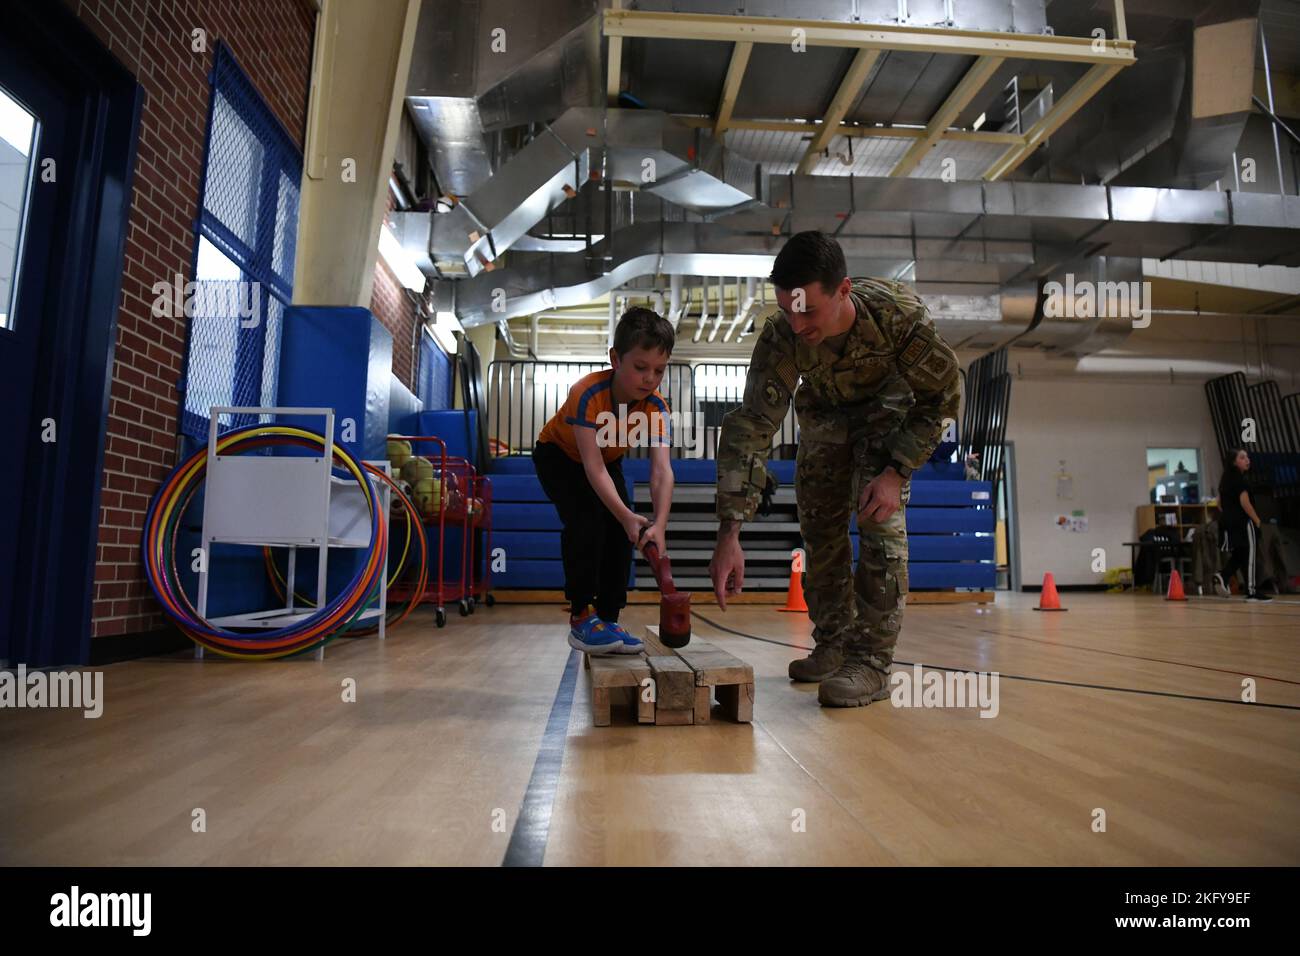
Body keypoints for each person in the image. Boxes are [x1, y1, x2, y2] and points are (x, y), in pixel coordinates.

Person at [708, 231, 961, 707]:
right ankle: (833, 642)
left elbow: (944, 398)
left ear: (843, 290)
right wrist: (729, 533)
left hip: (889, 421)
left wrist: (896, 473)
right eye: (787, 309)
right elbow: (753, 426)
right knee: (820, 530)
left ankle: (871, 663)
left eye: (808, 311)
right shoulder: (785, 335)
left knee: (880, 529)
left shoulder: (898, 319)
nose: (797, 322)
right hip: (824, 422)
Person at [534, 307, 678, 653]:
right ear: (615, 359)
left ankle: (608, 618)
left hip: (607, 459)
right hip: (559, 456)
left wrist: (659, 523)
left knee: (620, 533)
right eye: (640, 368)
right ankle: (581, 618)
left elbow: (661, 471)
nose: (650, 379)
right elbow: (592, 468)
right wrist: (626, 514)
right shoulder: (586, 393)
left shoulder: (656, 408)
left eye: (659, 370)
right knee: (586, 521)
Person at [1213, 448, 1272, 602]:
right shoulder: (1240, 480)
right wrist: (1257, 520)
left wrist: (1230, 513)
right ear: (1234, 462)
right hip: (1244, 523)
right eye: (1242, 457)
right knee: (1251, 555)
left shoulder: (1225, 480)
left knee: (1241, 555)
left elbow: (1219, 504)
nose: (1247, 460)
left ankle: (1224, 575)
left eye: (1247, 457)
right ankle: (1252, 591)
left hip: (1229, 523)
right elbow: (1245, 503)